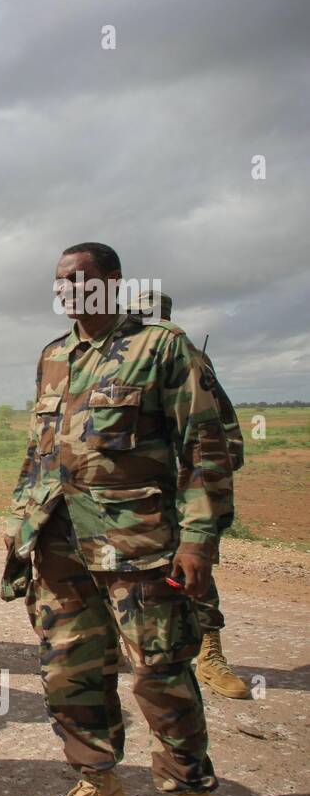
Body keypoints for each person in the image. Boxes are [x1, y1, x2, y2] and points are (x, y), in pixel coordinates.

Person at [6, 243, 234, 796]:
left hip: (138, 546)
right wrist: (21, 519)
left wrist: (197, 542)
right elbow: (40, 451)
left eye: (81, 279)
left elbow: (205, 450)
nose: (69, 290)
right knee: (68, 672)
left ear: (112, 282)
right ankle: (97, 782)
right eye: (60, 281)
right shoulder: (56, 356)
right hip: (58, 544)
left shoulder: (164, 349)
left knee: (159, 676)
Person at [142, 292, 250, 700]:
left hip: (183, 491)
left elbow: (223, 434)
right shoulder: (119, 360)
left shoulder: (189, 360)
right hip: (136, 496)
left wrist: (207, 491)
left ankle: (209, 654)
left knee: (193, 571)